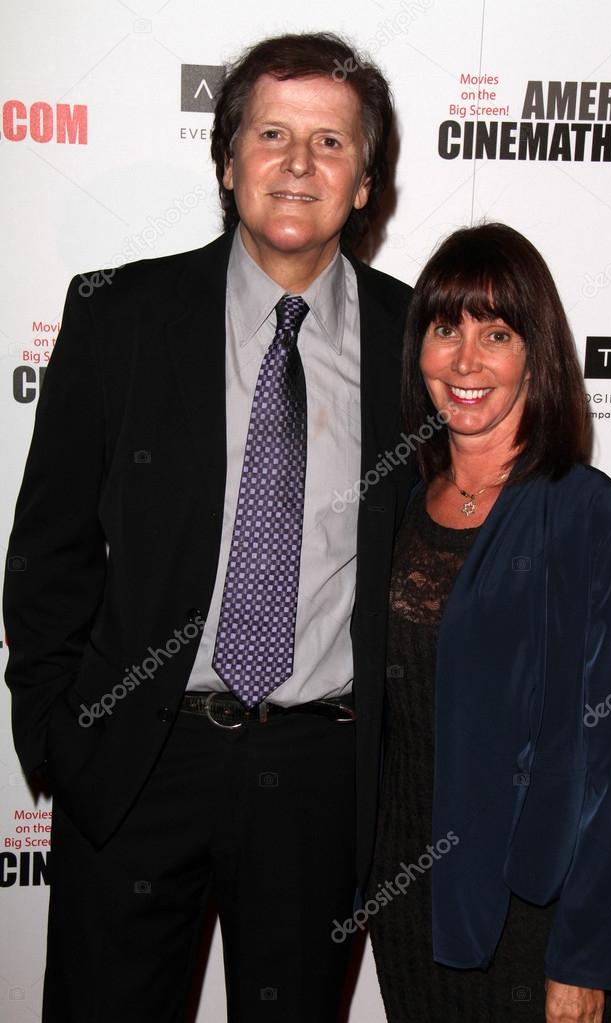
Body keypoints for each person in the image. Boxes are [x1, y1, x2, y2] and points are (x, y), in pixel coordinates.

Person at [3, 32, 415, 1023]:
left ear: (365, 183)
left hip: (320, 775)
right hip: (137, 763)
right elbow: (51, 549)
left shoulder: (417, 339)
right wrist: (59, 736)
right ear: (228, 162)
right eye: (271, 134)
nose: (298, 163)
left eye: (330, 143)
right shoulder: (119, 315)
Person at [368, 223, 611, 1023]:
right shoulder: (397, 507)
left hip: (530, 916)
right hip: (406, 897)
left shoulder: (598, 525)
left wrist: (584, 957)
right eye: (446, 329)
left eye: (497, 334)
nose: (466, 361)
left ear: (537, 353)